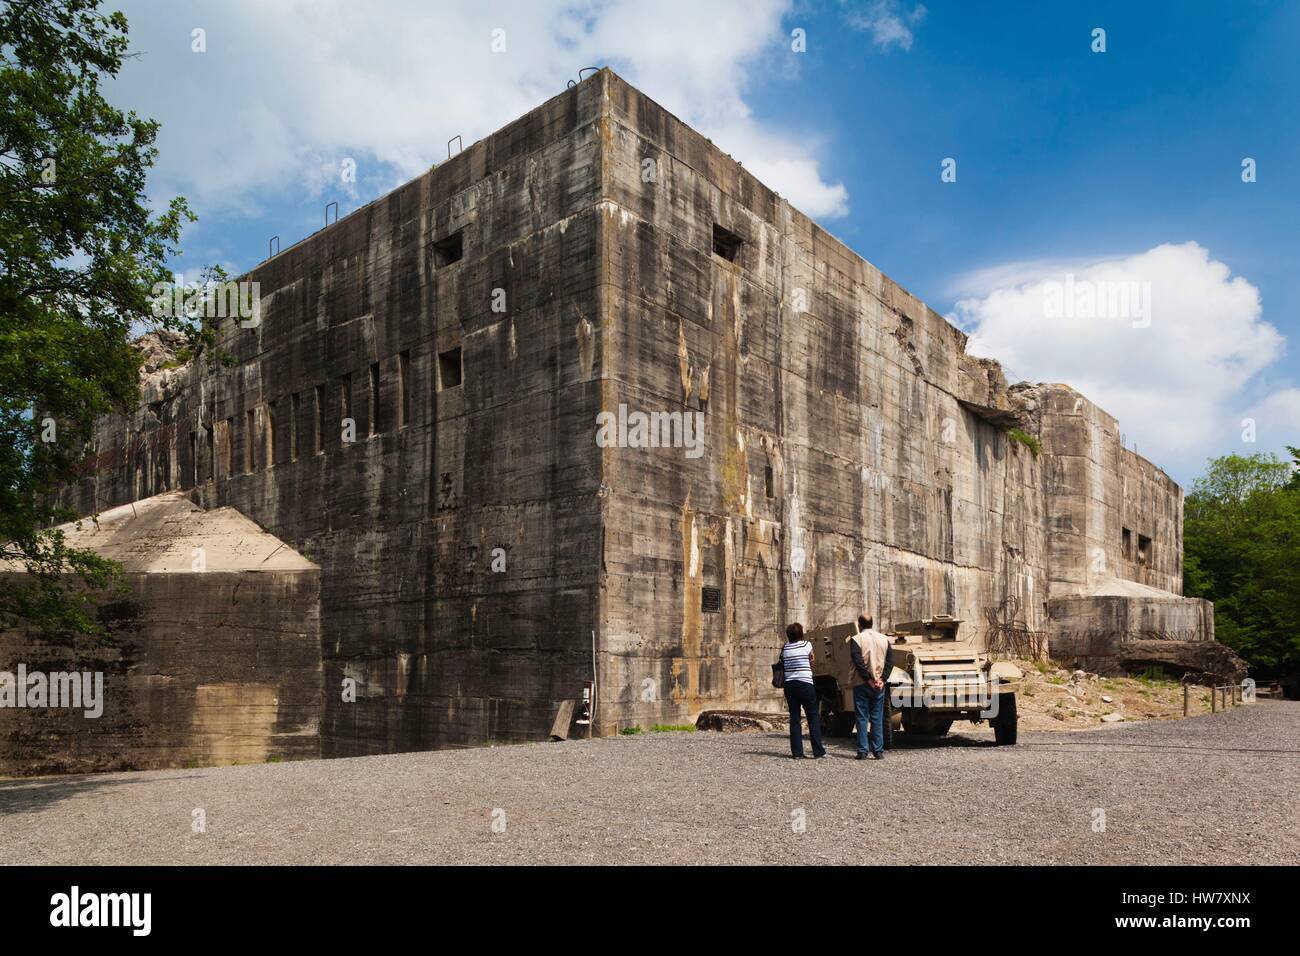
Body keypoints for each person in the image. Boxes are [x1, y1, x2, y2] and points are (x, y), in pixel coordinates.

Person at [850, 613, 894, 760]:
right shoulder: (884, 639)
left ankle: (862, 751)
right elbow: (890, 662)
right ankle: (878, 751)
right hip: (879, 684)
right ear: (872, 623)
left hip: (862, 683)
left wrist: (868, 679)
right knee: (877, 717)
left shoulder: (856, 639)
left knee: (862, 717)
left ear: (860, 625)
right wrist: (882, 679)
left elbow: (858, 661)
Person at [781, 622, 825, 759]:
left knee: (794, 718)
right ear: (801, 634)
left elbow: (783, 663)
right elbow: (812, 661)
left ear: (788, 635)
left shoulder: (785, 648)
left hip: (789, 685)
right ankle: (818, 751)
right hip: (805, 684)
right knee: (812, 717)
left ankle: (797, 753)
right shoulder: (807, 645)